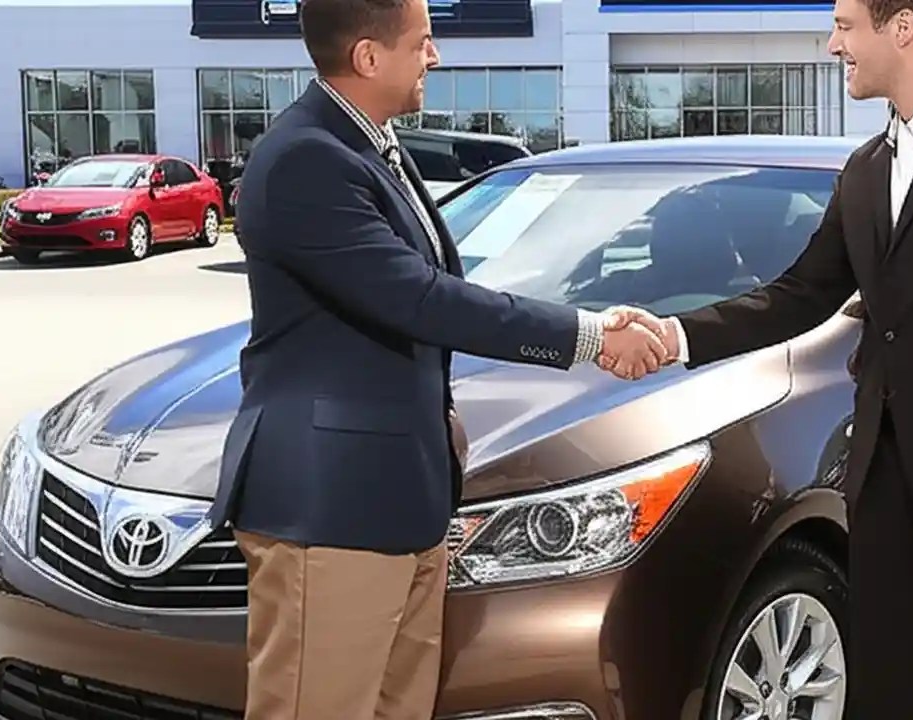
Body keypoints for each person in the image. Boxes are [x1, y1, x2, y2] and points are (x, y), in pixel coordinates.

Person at [604, 0, 913, 717]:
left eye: (845, 25)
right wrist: (675, 337)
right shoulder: (866, 169)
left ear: (902, 28)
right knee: (890, 692)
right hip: (882, 481)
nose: (833, 44)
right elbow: (801, 295)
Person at [205, 0, 667, 717]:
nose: (436, 56)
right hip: (330, 509)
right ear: (368, 57)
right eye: (423, 42)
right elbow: (420, 299)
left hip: (401, 502)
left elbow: (431, 295)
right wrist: (590, 336)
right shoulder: (306, 160)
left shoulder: (367, 146)